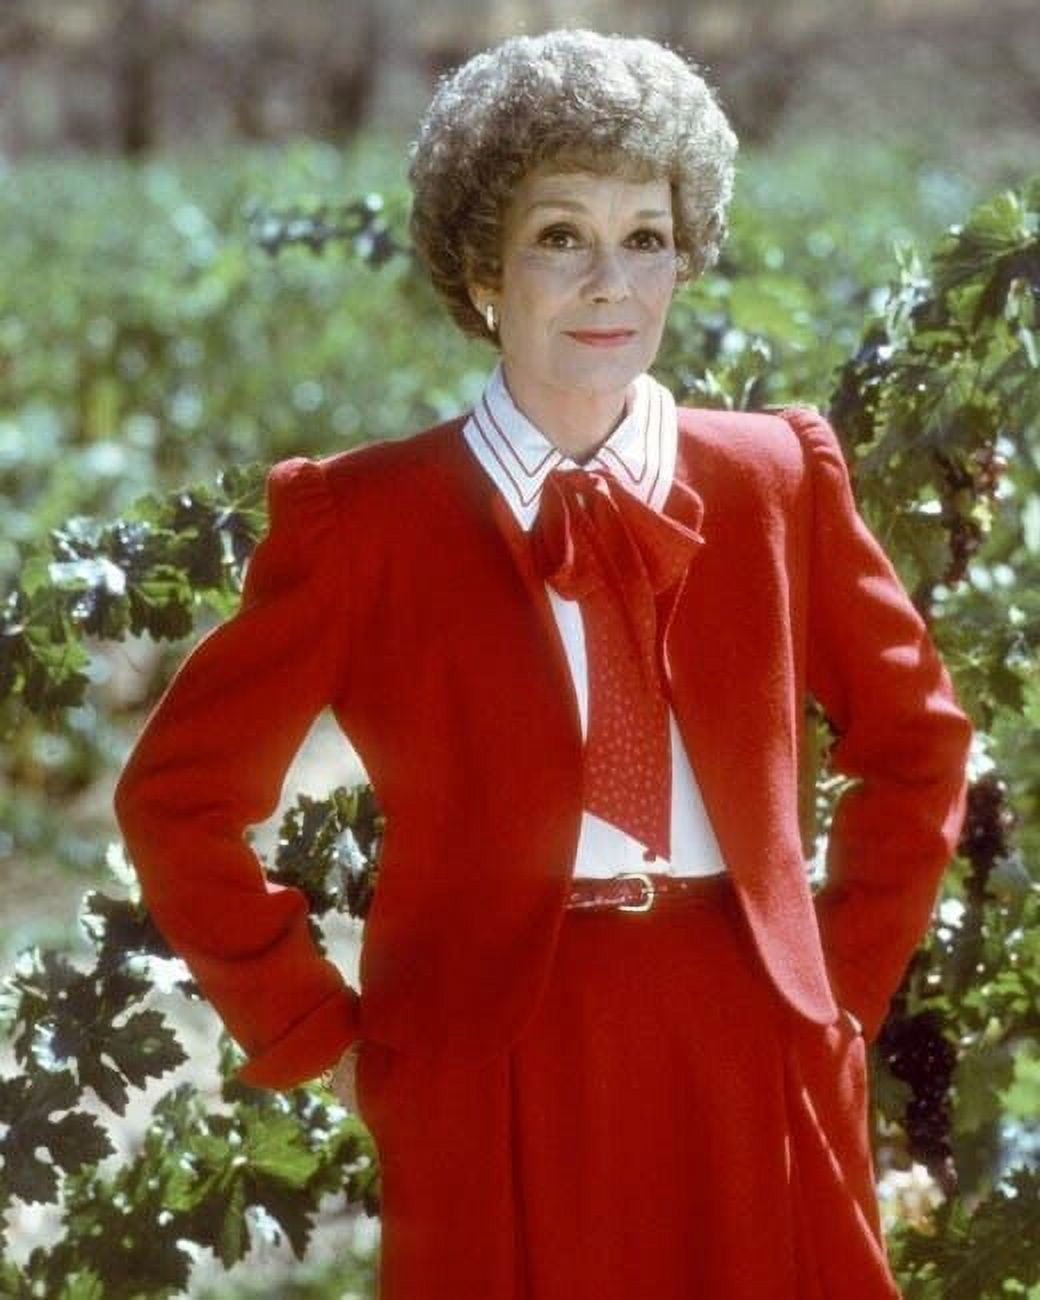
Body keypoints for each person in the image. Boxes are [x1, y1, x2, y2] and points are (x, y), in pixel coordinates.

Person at [112, 28, 973, 1300]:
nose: (608, 282)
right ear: (479, 268)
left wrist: (834, 980)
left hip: (752, 1030)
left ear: (686, 256)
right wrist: (321, 1034)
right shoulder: (368, 519)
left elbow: (918, 743)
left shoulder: (775, 474)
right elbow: (177, 800)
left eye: (646, 237)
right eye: (561, 236)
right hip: (487, 1056)